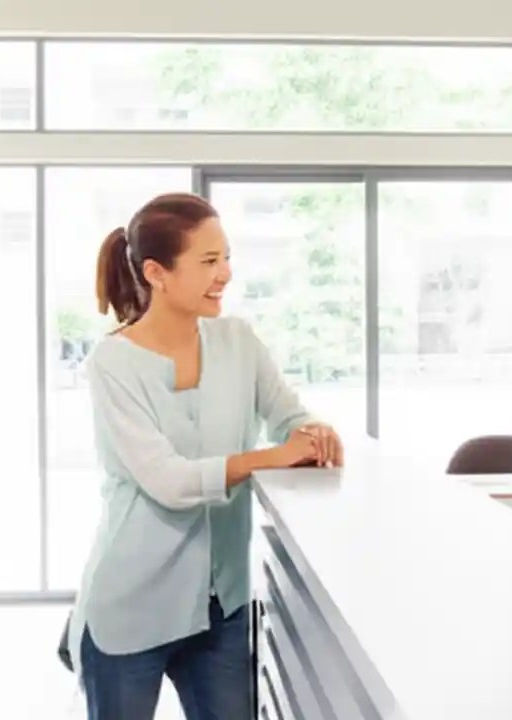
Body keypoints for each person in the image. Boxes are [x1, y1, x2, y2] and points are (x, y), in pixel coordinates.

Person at [66, 192, 343, 720]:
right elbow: (167, 481)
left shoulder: (237, 340)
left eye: (228, 258)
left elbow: (288, 413)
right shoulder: (112, 363)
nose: (227, 274)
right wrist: (274, 456)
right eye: (210, 262)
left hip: (224, 604)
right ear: (156, 272)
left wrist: (313, 430)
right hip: (131, 605)